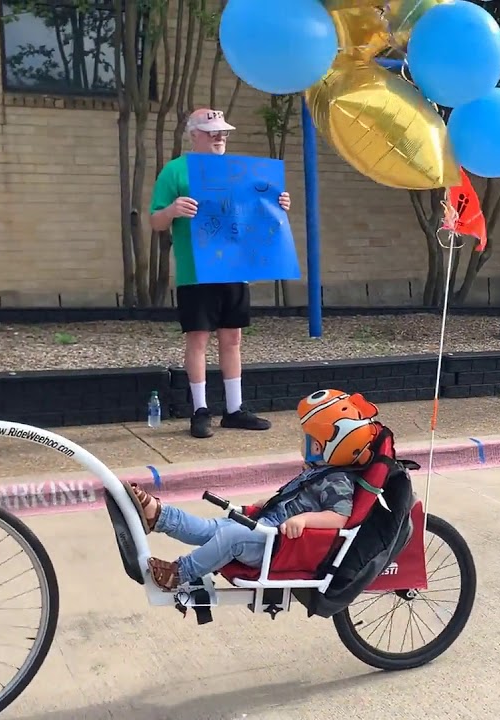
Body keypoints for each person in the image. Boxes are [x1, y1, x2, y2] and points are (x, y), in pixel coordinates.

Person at [127, 389, 383, 591]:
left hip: (276, 545)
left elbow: (340, 517)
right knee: (212, 529)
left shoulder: (337, 480)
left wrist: (303, 520)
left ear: (325, 447)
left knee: (229, 538)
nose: (302, 442)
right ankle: (158, 516)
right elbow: (298, 498)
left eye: (309, 439)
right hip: (266, 527)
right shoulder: (318, 470)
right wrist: (270, 502)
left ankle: (179, 573)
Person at [149, 108, 289, 439]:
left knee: (233, 337)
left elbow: (259, 213)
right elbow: (155, 221)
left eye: (224, 133)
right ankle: (200, 410)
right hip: (197, 272)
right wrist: (172, 211)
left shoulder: (240, 172)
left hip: (234, 268)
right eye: (213, 132)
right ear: (193, 134)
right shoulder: (175, 171)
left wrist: (278, 203)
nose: (220, 138)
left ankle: (234, 409)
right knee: (198, 337)